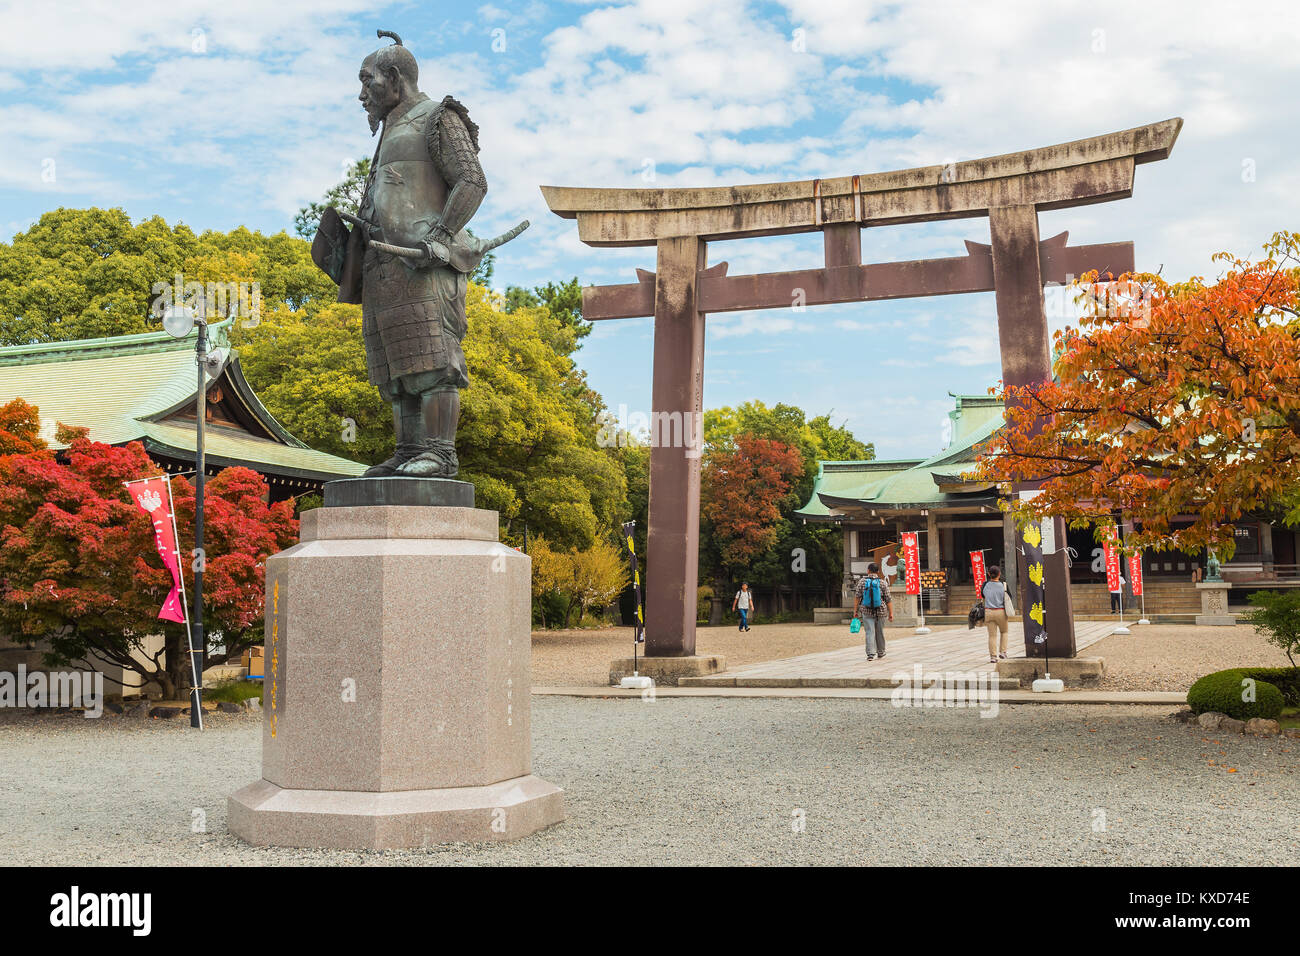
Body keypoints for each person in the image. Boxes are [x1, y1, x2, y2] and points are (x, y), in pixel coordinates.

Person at [852, 563, 893, 660]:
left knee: (869, 632)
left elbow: (857, 597)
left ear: (868, 571)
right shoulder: (882, 582)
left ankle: (870, 654)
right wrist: (891, 613)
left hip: (866, 610)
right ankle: (881, 652)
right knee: (880, 632)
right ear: (878, 571)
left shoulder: (862, 582)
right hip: (881, 611)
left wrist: (855, 611)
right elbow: (888, 599)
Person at [982, 565, 1013, 663]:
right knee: (1004, 632)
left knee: (992, 636)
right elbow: (1009, 598)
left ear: (988, 574)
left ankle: (993, 657)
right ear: (999, 574)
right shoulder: (1004, 585)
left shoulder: (985, 585)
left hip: (989, 612)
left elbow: (983, 595)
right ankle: (1003, 652)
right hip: (1001, 612)